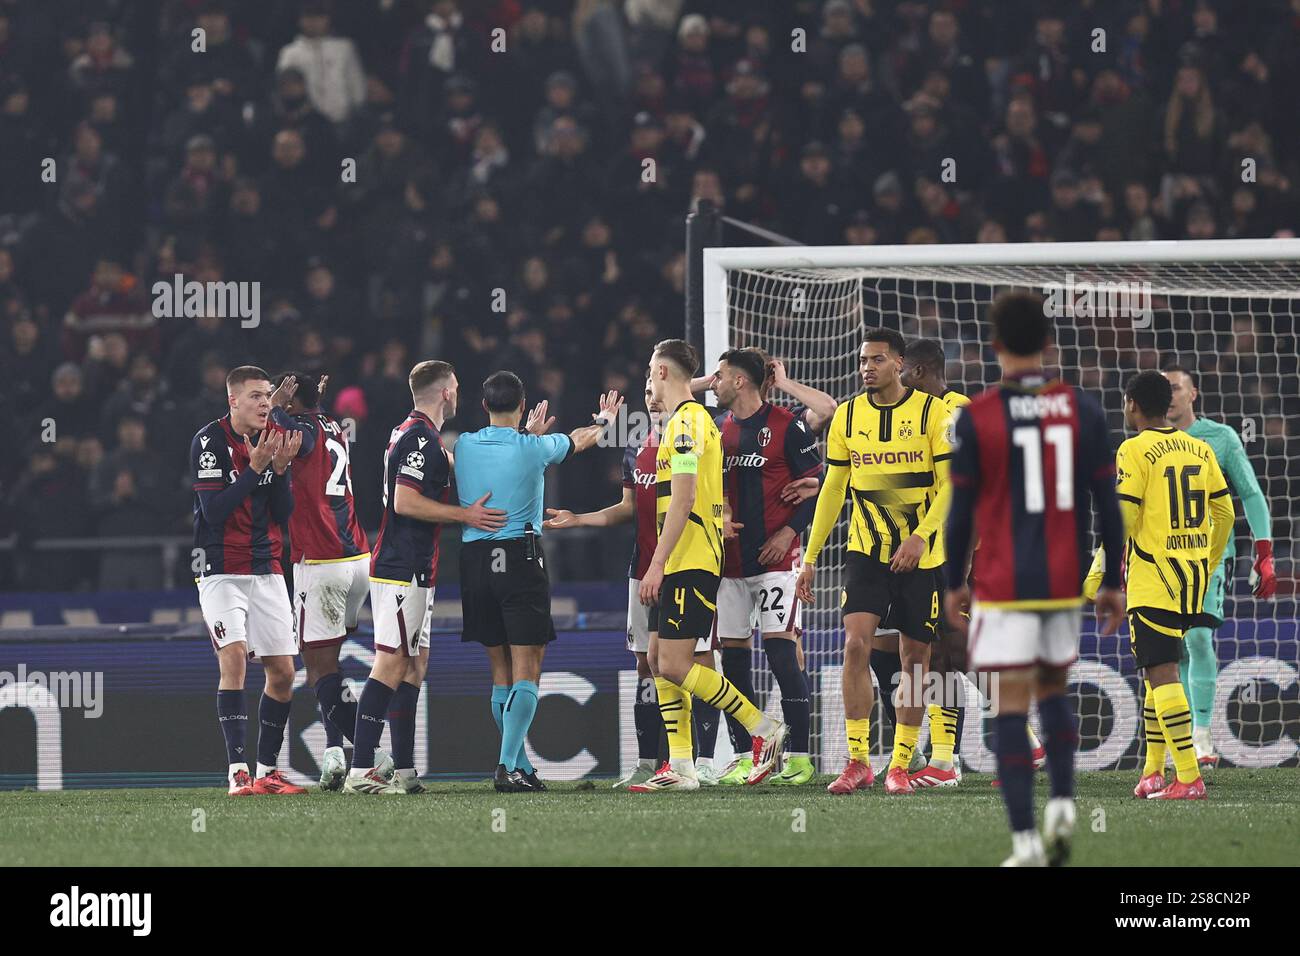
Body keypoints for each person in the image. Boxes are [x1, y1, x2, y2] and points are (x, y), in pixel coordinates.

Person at [943, 291, 1126, 867]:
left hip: (1002, 582)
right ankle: (1065, 801)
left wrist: (954, 581)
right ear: (1048, 344)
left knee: (1011, 708)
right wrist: (1113, 579)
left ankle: (1024, 842)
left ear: (996, 346)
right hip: (1060, 580)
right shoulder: (1084, 409)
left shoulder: (977, 416)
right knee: (1052, 691)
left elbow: (960, 511)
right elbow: (1108, 504)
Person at [796, 328, 952, 796]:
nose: (867, 367)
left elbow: (952, 485)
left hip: (923, 555)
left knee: (915, 657)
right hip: (867, 549)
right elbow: (833, 490)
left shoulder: (934, 412)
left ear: (900, 364)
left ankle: (901, 764)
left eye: (878, 360)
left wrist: (922, 537)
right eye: (864, 360)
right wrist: (809, 557)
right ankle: (858, 760)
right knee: (855, 646)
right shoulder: (847, 416)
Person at [545, 380, 720, 788]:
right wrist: (579, 518)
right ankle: (648, 762)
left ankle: (704, 759)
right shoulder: (637, 448)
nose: (650, 396)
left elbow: (705, 494)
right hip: (643, 569)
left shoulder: (695, 430)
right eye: (644, 391)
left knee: (697, 660)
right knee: (647, 664)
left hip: (686, 564)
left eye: (654, 386)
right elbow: (625, 509)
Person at [631, 339, 788, 792]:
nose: (647, 379)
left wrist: (657, 564)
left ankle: (765, 730)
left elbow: (682, 498)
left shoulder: (687, 423)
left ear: (660, 372)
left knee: (678, 665)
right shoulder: (687, 417)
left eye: (650, 370)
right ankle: (681, 767)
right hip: (678, 557)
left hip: (690, 559)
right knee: (660, 661)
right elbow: (683, 381)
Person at [454, 371, 622, 792]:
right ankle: (507, 766)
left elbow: (498, 451)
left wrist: (522, 434)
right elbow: (582, 440)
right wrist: (603, 419)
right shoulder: (534, 448)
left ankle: (520, 766)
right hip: (519, 558)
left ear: (483, 405)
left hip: (475, 559)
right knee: (528, 667)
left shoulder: (463, 445)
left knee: (500, 670)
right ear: (524, 406)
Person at [345, 360, 506, 794]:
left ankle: (404, 770)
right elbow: (404, 501)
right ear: (446, 393)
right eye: (456, 386)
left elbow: (452, 466)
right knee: (392, 661)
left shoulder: (417, 435)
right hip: (400, 567)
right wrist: (464, 515)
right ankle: (361, 771)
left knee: (415, 666)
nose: (459, 393)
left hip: (415, 568)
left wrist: (517, 440)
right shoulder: (419, 438)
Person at [900, 338, 1046, 786]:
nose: (896, 379)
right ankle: (946, 759)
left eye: (902, 371)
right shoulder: (925, 415)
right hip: (946, 552)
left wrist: (964, 561)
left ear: (920, 373)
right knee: (942, 652)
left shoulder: (954, 412)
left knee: (965, 651)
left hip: (970, 553)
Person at [1086, 371, 1235, 803]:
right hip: (1190, 577)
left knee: (1162, 672)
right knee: (1157, 673)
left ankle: (1187, 776)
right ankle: (1154, 771)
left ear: (1131, 403)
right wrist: (1206, 559)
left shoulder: (1133, 449)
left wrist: (1100, 575)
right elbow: (1224, 513)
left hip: (1153, 577)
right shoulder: (1199, 447)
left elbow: (1125, 519)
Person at [708, 348, 825, 786]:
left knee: (780, 655)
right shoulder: (717, 430)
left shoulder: (787, 425)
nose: (712, 383)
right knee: (734, 662)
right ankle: (746, 754)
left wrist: (790, 532)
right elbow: (702, 487)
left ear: (739, 381)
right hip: (730, 566)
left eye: (718, 376)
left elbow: (820, 486)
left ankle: (799, 757)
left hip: (778, 562)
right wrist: (719, 514)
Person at [191, 365, 306, 796]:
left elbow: (282, 513)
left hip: (267, 566)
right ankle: (238, 771)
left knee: (282, 671)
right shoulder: (209, 441)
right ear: (233, 400)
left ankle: (267, 772)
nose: (265, 404)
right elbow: (214, 512)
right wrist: (255, 470)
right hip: (220, 569)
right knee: (235, 658)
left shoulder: (269, 440)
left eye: (268, 396)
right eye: (256, 396)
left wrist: (282, 469)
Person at [1162, 365, 1276, 768]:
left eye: (1176, 387)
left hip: (1210, 555)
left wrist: (1264, 553)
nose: (1170, 394)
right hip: (1162, 560)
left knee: (1195, 637)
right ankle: (1183, 738)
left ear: (1193, 394)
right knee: (1173, 648)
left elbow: (1251, 494)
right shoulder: (1148, 441)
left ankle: (1202, 733)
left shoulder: (1221, 438)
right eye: (1164, 388)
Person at [270, 371, 375, 791]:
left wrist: (279, 407)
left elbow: (300, 438)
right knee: (329, 660)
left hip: (322, 560)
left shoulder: (304, 429)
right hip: (357, 558)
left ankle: (372, 755)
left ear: (293, 400)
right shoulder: (334, 425)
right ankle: (334, 752)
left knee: (319, 668)